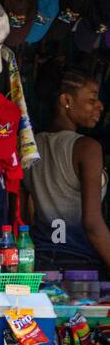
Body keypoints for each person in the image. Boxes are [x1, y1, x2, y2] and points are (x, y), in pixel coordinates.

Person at [23, 69, 110, 276]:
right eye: (91, 99)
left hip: (39, 263)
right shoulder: (87, 148)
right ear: (66, 100)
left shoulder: (29, 145)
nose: (100, 105)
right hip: (80, 268)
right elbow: (92, 224)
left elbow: (25, 214)